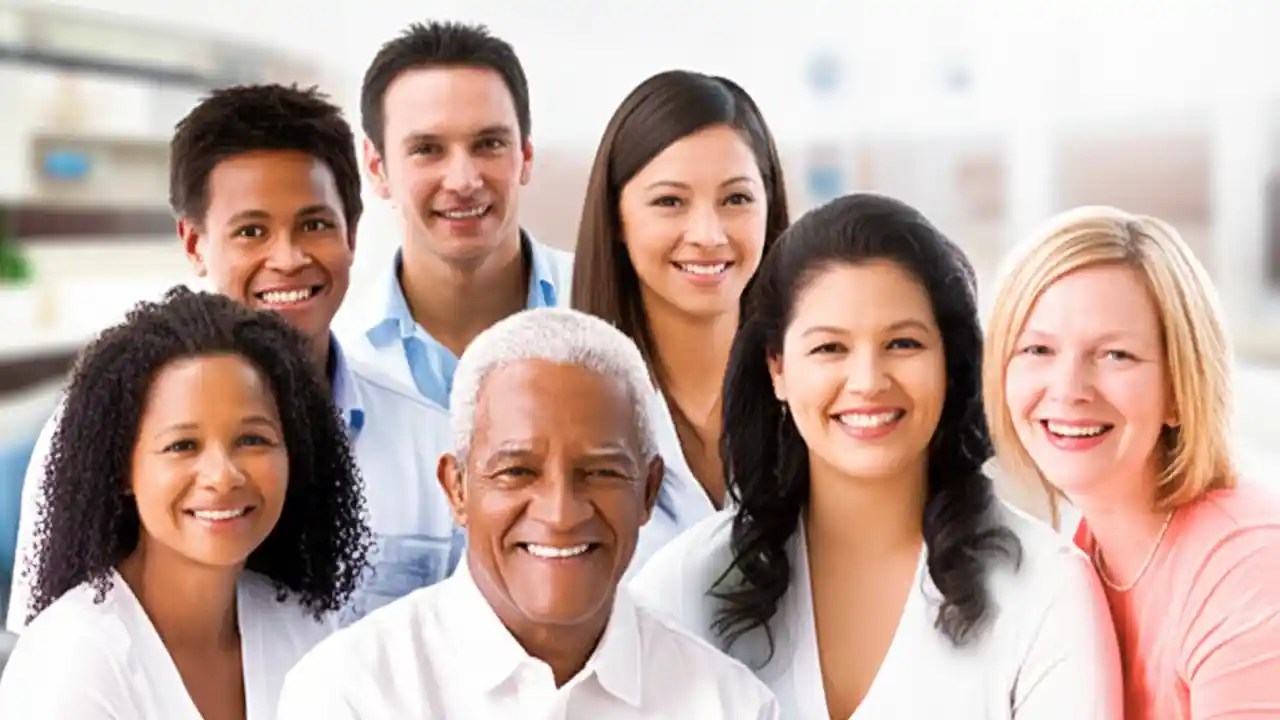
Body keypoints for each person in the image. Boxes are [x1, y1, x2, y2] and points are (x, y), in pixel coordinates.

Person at [631, 194, 1123, 718]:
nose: (868, 382)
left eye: (903, 344)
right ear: (777, 367)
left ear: (951, 363)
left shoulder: (1045, 588)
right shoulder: (686, 583)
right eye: (830, 349)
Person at [7, 84, 455, 631]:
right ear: (194, 244)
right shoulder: (98, 432)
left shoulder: (434, 439)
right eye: (251, 231)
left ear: (353, 236)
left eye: (315, 225)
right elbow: (52, 652)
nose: (288, 259)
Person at [277, 308, 780, 719]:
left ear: (647, 492)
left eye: (601, 472)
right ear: (456, 487)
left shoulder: (729, 705)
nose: (560, 513)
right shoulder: (350, 693)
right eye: (517, 471)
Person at [0, 287, 371, 719]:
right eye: (183, 445)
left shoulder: (302, 627)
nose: (223, 475)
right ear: (122, 469)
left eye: (253, 439)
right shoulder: (70, 660)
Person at [983, 205, 1280, 718]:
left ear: (1179, 390)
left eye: (1115, 355)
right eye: (1037, 350)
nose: (1068, 389)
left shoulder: (1248, 564)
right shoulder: (1080, 553)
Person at [571, 69, 790, 572]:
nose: (708, 234)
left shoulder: (818, 393)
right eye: (670, 202)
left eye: (736, 199)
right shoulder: (568, 400)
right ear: (617, 219)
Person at [339, 20, 572, 407]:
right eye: (427, 149)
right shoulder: (342, 358)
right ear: (377, 168)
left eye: (489, 144)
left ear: (525, 156)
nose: (463, 181)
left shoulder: (614, 307)